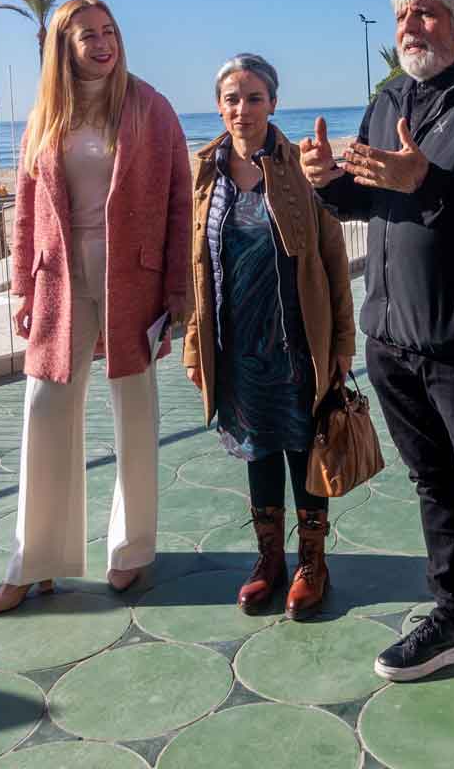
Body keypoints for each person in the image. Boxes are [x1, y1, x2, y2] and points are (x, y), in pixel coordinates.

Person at [301, 0, 454, 730]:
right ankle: (453, 614)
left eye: (427, 13)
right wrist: (327, 183)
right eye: (403, 14)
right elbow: (370, 197)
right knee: (432, 485)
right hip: (391, 336)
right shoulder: (390, 98)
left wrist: (428, 179)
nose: (409, 26)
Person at [0, 0, 192, 618]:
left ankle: (130, 550)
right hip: (58, 279)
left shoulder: (149, 107)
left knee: (135, 411)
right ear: (63, 48)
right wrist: (22, 285)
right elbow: (25, 205)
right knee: (44, 408)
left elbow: (180, 200)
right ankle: (33, 564)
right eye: (88, 36)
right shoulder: (48, 113)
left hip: (135, 278)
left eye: (109, 32)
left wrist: (177, 290)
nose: (103, 44)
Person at [183, 53, 354, 619]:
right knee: (257, 452)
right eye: (232, 99)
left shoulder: (299, 166)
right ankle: (269, 559)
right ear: (219, 107)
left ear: (273, 104)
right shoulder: (205, 171)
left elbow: (333, 258)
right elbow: (197, 267)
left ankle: (312, 563)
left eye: (254, 98)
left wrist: (342, 343)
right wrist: (194, 344)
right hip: (237, 345)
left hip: (296, 341)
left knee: (305, 448)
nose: (243, 109)